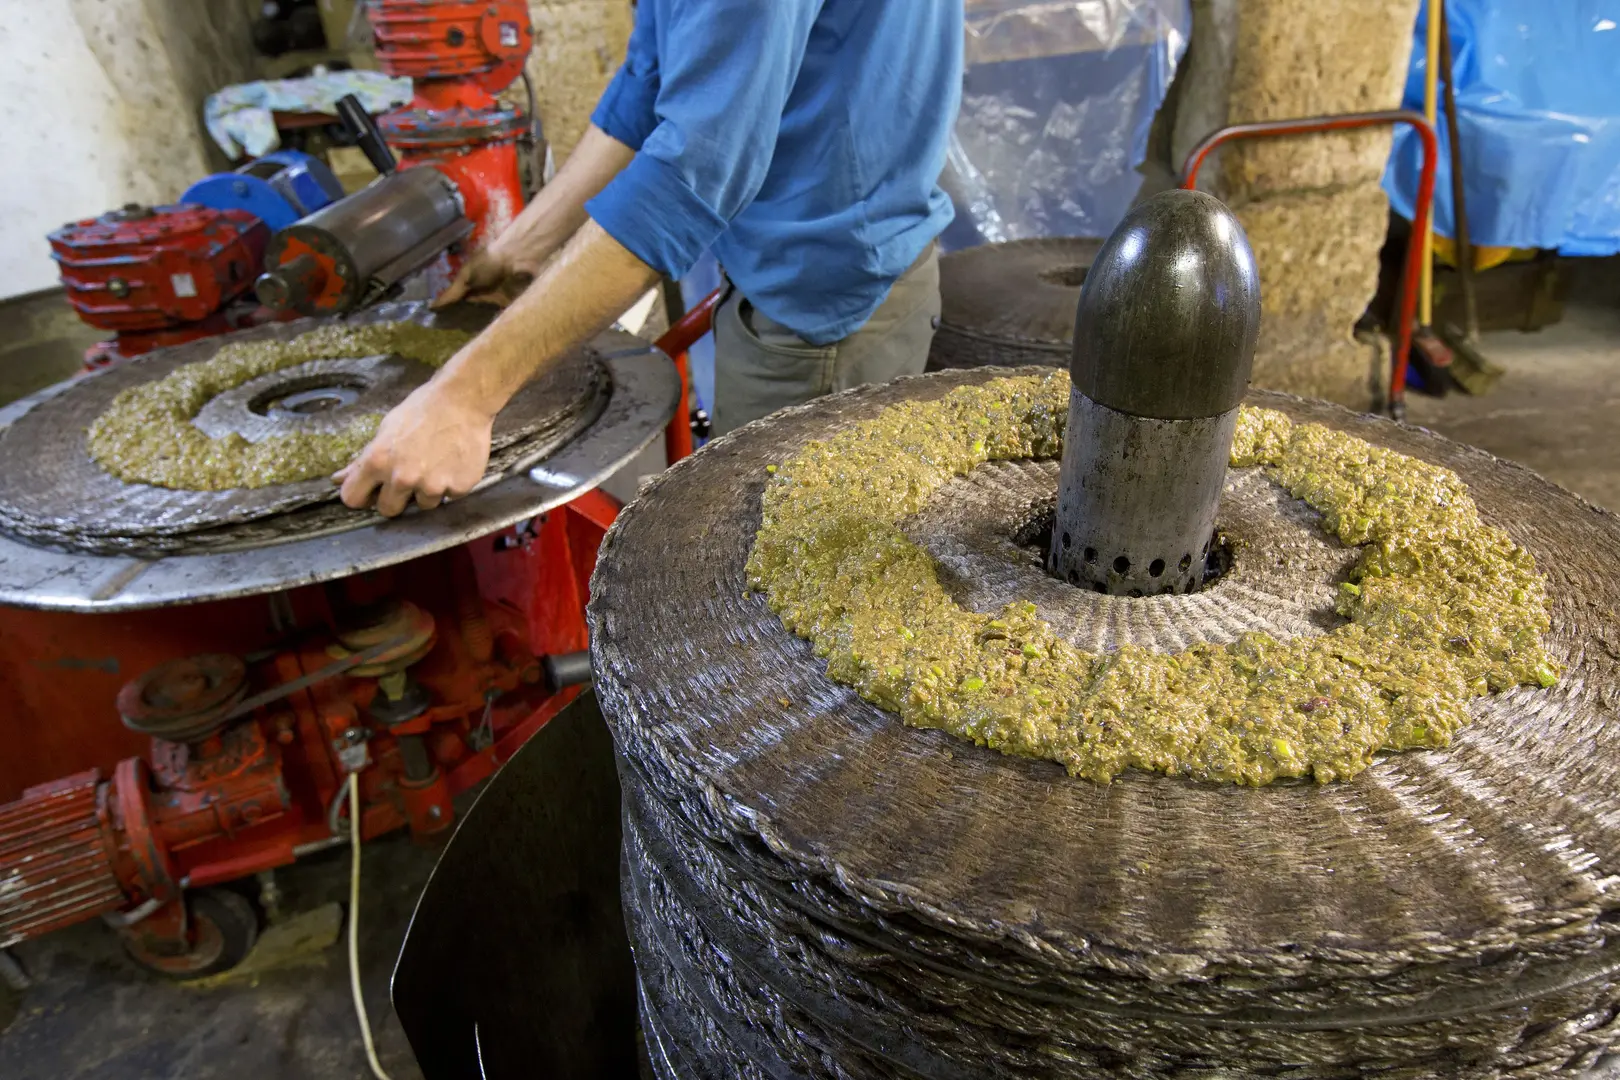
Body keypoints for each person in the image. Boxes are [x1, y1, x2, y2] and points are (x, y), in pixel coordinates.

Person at [337, 0, 964, 516]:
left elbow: (688, 178)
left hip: (824, 302)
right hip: (793, 258)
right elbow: (650, 77)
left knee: (779, 583)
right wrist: (524, 245)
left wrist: (463, 399)